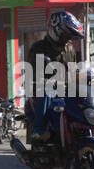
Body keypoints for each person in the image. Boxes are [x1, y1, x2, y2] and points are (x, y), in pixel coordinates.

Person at [26, 10, 84, 143]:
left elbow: (73, 71)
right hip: (42, 92)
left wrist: (83, 79)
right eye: (66, 35)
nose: (68, 39)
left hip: (65, 91)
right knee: (47, 89)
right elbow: (35, 76)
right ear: (56, 31)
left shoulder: (69, 49)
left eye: (70, 36)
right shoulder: (39, 48)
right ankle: (39, 131)